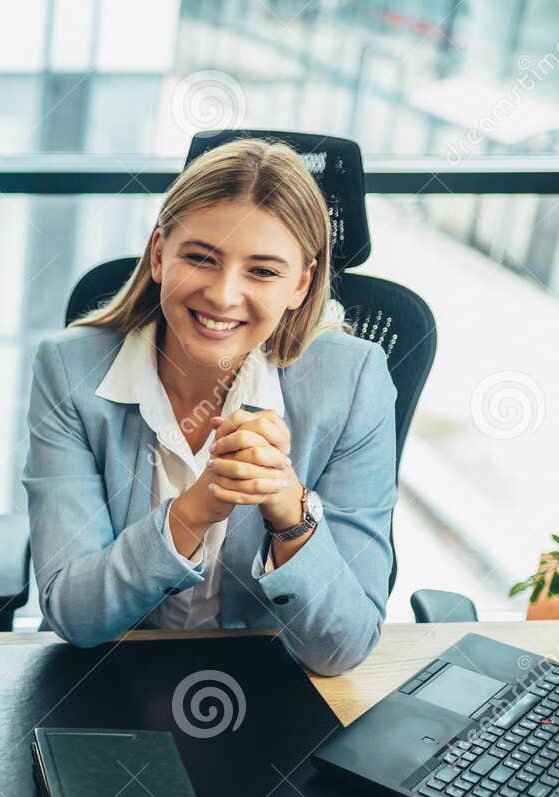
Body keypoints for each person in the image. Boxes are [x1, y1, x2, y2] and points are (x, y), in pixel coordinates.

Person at [24, 137, 396, 676]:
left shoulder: (353, 382)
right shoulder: (68, 369)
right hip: (104, 676)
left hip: (265, 682)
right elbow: (75, 615)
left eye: (263, 271)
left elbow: (341, 649)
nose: (223, 295)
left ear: (303, 283)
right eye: (201, 258)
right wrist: (195, 510)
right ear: (158, 255)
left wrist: (289, 511)